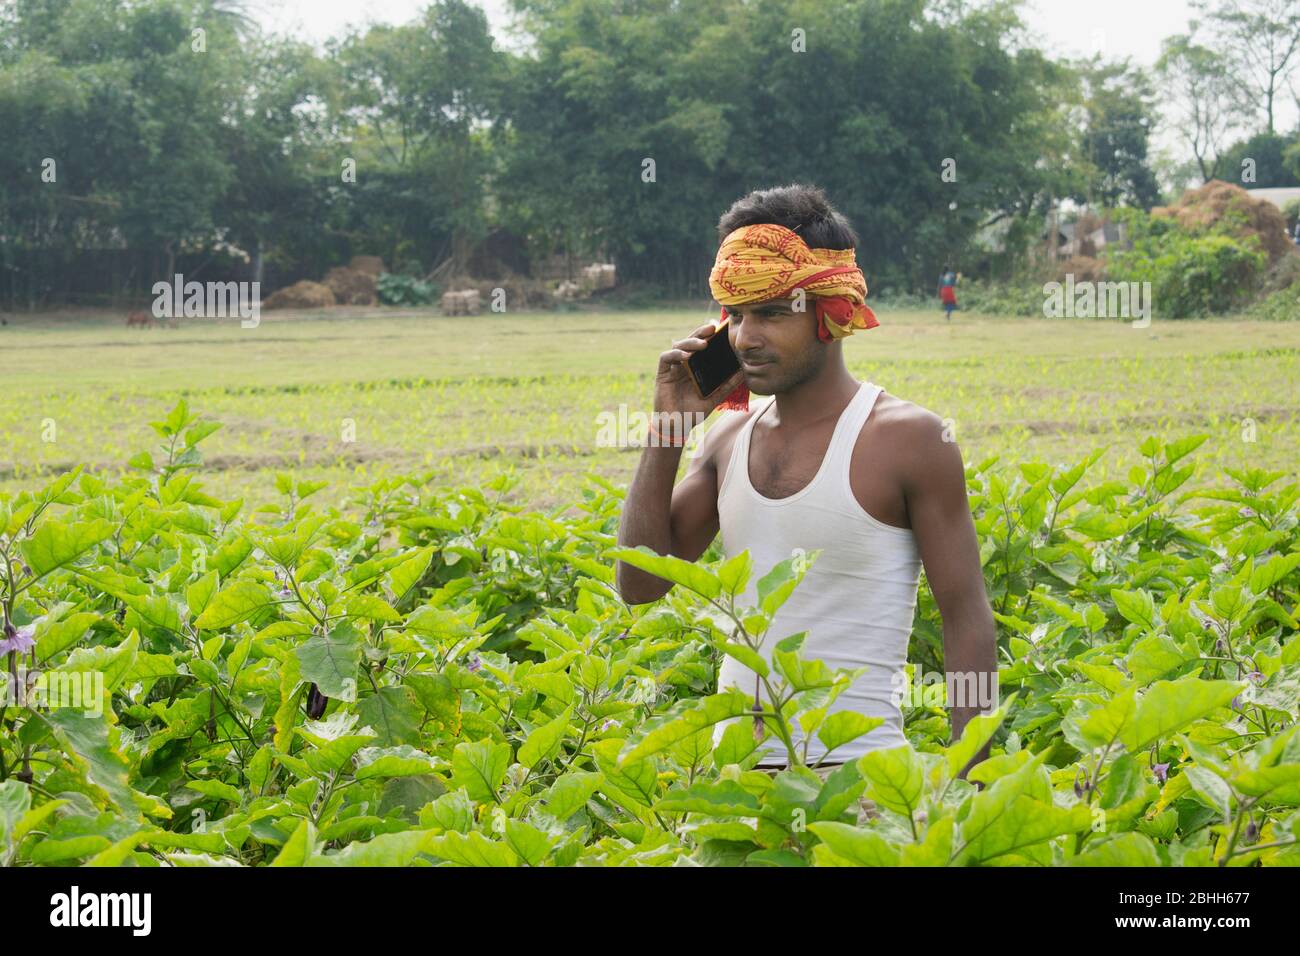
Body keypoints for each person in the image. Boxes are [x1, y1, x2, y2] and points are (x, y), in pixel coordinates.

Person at [615, 184, 997, 809]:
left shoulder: (909, 440)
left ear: (832, 308)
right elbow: (640, 585)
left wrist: (973, 786)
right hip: (732, 787)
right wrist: (670, 428)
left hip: (859, 784)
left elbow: (967, 617)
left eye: (770, 312)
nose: (743, 338)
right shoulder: (726, 439)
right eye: (733, 314)